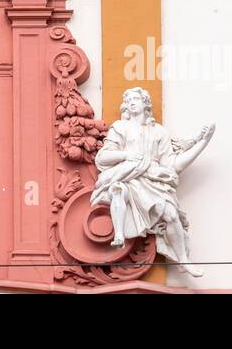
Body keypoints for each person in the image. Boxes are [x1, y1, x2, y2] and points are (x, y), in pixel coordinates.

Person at [91, 87, 214, 277]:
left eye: (136, 99)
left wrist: (203, 143)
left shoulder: (159, 133)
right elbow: (103, 158)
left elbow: (172, 165)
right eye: (129, 99)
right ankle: (119, 234)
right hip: (127, 176)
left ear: (145, 103)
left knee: (172, 215)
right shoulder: (120, 128)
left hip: (152, 179)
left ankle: (183, 260)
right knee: (118, 190)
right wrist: (126, 154)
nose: (131, 102)